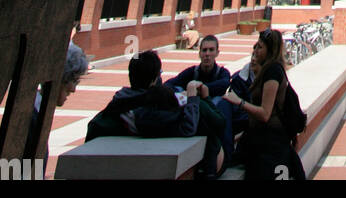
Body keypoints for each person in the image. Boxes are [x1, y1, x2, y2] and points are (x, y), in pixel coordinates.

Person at [85, 49, 224, 177]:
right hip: (196, 164)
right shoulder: (166, 107)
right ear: (155, 79)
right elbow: (217, 123)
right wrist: (199, 98)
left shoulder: (116, 107)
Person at [222, 29, 306, 181]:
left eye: (260, 47)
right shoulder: (267, 70)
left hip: (272, 146)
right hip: (264, 143)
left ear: (270, 50)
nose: (256, 51)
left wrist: (239, 102)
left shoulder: (273, 72)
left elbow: (265, 113)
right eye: (255, 47)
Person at [30, 42, 89, 160]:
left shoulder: (38, 109)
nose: (73, 89)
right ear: (58, 78)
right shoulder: (33, 117)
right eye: (73, 80)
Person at [169, 35, 231, 101]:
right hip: (193, 108)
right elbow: (168, 84)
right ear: (199, 53)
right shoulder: (192, 71)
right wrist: (180, 93)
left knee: (219, 99)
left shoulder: (223, 73)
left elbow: (224, 84)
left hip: (212, 108)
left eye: (211, 50)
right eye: (204, 50)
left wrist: (196, 89)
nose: (207, 54)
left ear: (217, 53)